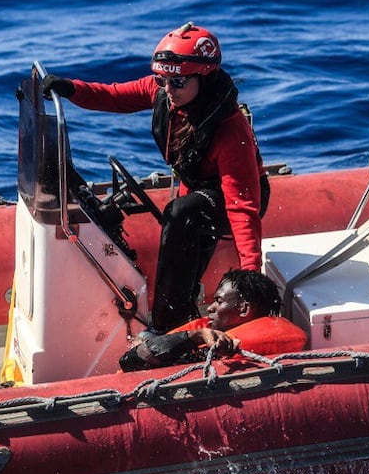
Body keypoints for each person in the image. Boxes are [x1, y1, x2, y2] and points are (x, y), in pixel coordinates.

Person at [41, 22, 269, 333]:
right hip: (197, 189)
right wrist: (69, 89)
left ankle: (166, 325)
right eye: (162, 80)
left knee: (181, 214)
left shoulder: (230, 131)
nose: (167, 89)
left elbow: (243, 206)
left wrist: (251, 273)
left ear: (203, 78)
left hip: (230, 200)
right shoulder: (164, 92)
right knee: (184, 218)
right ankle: (185, 309)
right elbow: (114, 96)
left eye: (176, 82)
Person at [119, 269, 305, 371]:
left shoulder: (212, 352)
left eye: (219, 301)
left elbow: (130, 361)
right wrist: (199, 335)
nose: (209, 308)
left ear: (244, 309)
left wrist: (195, 337)